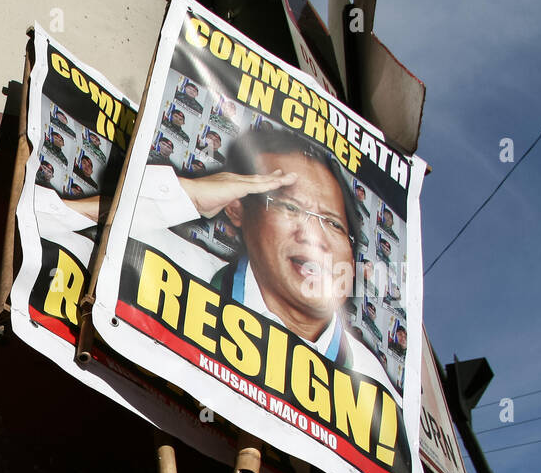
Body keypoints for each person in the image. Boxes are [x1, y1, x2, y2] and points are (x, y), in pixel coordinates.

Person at [130, 125, 395, 392]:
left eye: (334, 224)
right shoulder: (175, 267)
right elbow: (88, 229)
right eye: (291, 207)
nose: (314, 237)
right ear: (237, 207)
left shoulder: (374, 385)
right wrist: (191, 195)